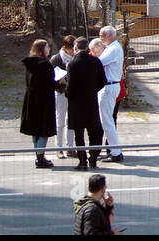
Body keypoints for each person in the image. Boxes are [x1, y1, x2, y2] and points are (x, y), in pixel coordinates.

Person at [65, 37, 107, 170]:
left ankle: (82, 160)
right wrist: (93, 90)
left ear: (75, 48)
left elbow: (71, 87)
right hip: (91, 101)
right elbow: (103, 81)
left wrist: (66, 92)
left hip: (77, 103)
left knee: (79, 133)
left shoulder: (72, 64)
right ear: (88, 48)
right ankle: (93, 158)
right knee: (93, 131)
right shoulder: (95, 61)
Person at [20, 39, 62, 168]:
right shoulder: (45, 64)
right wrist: (60, 82)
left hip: (31, 100)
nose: (49, 49)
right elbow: (49, 83)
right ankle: (40, 157)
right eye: (47, 47)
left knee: (35, 130)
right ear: (42, 49)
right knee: (44, 129)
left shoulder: (30, 64)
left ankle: (38, 155)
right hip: (44, 101)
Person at [96, 26, 125, 162]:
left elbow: (98, 62)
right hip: (109, 86)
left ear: (109, 36)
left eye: (102, 36)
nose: (100, 38)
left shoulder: (113, 49)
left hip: (109, 87)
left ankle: (116, 152)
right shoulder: (112, 48)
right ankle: (113, 150)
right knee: (107, 121)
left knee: (107, 122)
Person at [51, 35, 77, 157]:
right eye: (70, 49)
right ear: (64, 47)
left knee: (71, 121)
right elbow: (50, 77)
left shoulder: (76, 58)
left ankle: (70, 147)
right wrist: (58, 81)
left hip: (72, 93)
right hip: (60, 92)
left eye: (74, 49)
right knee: (60, 121)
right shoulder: (56, 58)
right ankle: (59, 148)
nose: (72, 52)